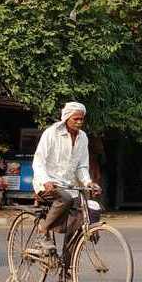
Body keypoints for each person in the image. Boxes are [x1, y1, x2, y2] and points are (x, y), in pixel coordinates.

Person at [30, 102, 101, 255]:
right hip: (48, 185)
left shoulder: (83, 138)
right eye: (76, 119)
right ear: (67, 118)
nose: (79, 122)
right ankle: (42, 232)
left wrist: (88, 182)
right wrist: (45, 180)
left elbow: (82, 166)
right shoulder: (51, 133)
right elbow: (39, 161)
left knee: (78, 223)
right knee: (65, 198)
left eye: (81, 119)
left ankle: (67, 272)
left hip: (70, 186)